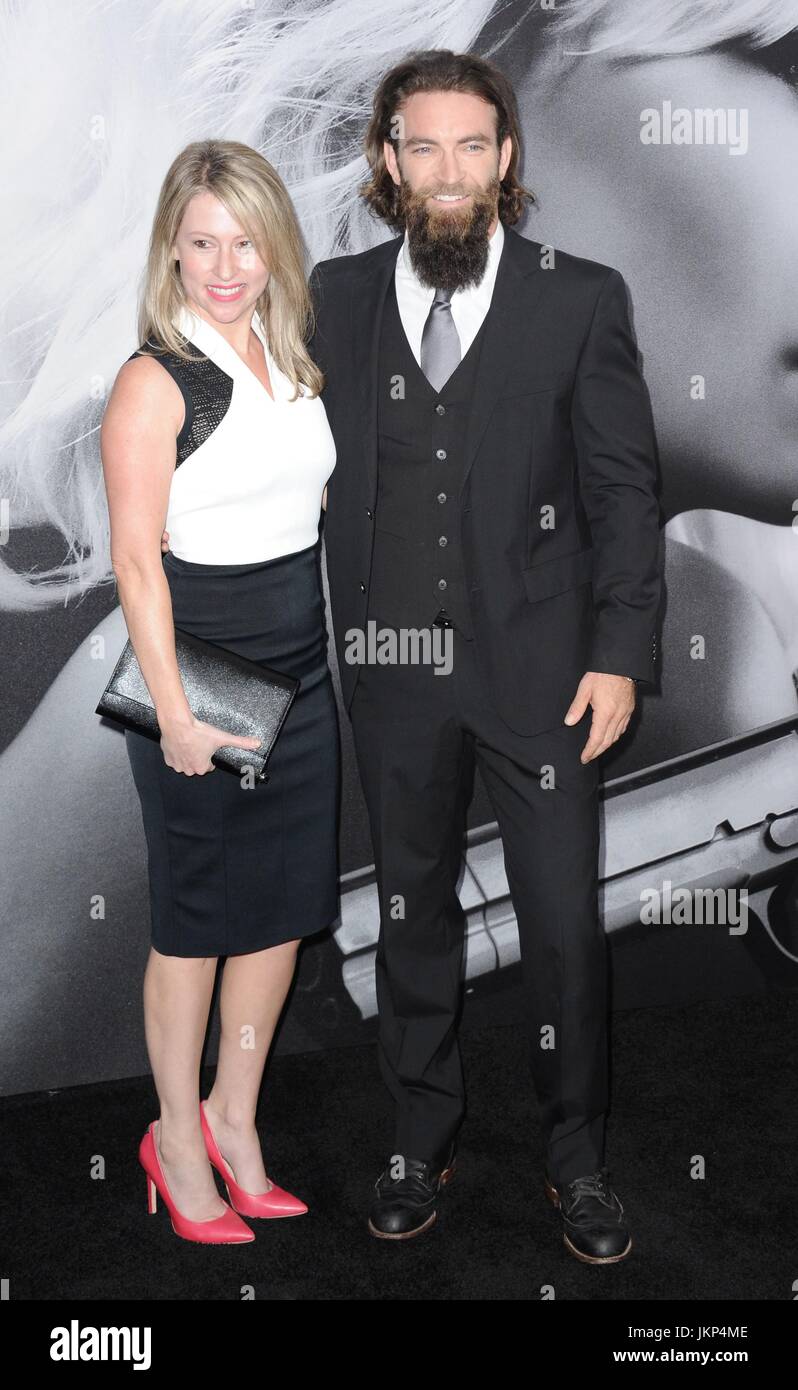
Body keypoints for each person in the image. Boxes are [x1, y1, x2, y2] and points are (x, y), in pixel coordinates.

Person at [307, 49, 662, 1261]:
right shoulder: (334, 297)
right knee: (413, 916)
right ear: (387, 162)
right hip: (393, 673)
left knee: (563, 921)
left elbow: (621, 487)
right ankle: (418, 1134)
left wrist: (620, 650)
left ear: (506, 160)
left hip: (547, 676)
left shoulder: (581, 296)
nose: (448, 173)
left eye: (473, 147)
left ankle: (578, 1156)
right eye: (424, 148)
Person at [100, 139, 339, 1244]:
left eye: (244, 240)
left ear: (274, 241)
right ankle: (175, 1140)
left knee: (281, 918)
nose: (225, 264)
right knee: (195, 926)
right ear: (172, 250)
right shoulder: (157, 378)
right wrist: (178, 713)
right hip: (201, 680)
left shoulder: (292, 355)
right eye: (202, 243)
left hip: (303, 681)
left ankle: (234, 1121)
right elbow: (138, 562)